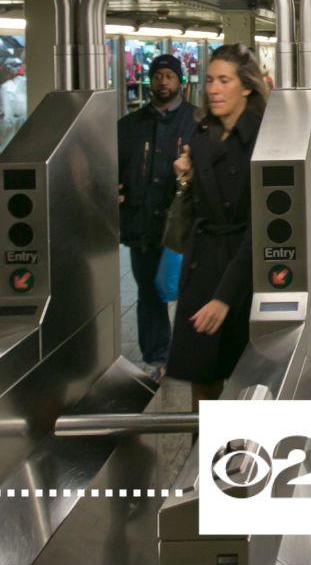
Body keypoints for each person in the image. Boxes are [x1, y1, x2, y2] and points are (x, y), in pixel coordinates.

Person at [167, 43, 268, 410]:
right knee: (203, 383)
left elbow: (261, 227)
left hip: (241, 274)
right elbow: (196, 211)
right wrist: (185, 178)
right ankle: (204, 459)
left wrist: (225, 297)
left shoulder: (263, 139)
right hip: (202, 267)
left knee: (249, 385)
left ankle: (242, 463)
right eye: (209, 80)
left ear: (246, 87)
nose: (213, 89)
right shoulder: (200, 135)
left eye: (224, 80)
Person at [117, 53, 197, 382]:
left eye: (169, 75)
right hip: (143, 225)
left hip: (183, 224)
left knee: (191, 289)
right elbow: (113, 166)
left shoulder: (196, 122)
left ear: (181, 82)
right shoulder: (129, 126)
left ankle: (191, 351)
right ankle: (156, 356)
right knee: (149, 292)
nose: (163, 81)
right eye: (157, 75)